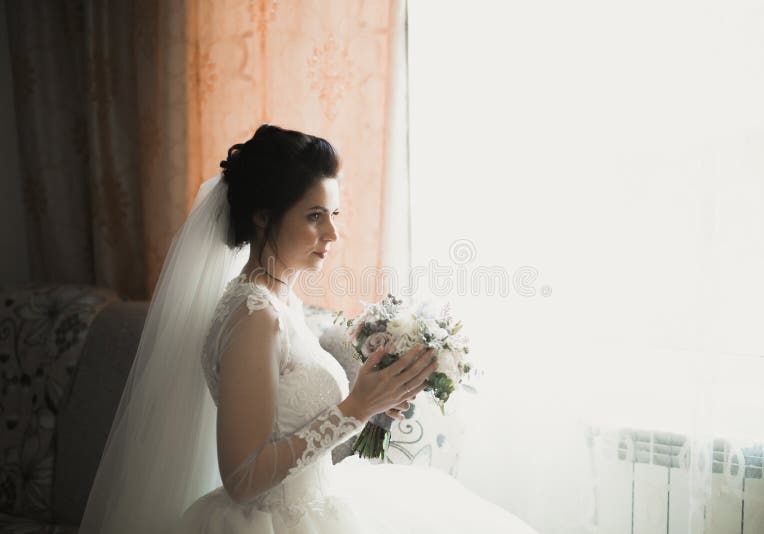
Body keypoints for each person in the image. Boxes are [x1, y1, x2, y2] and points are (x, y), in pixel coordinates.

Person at [78, 124, 539, 534]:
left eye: (334, 215)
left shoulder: (280, 298)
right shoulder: (254, 316)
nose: (332, 235)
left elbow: (295, 421)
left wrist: (373, 403)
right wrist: (355, 409)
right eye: (314, 216)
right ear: (262, 217)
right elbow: (242, 479)